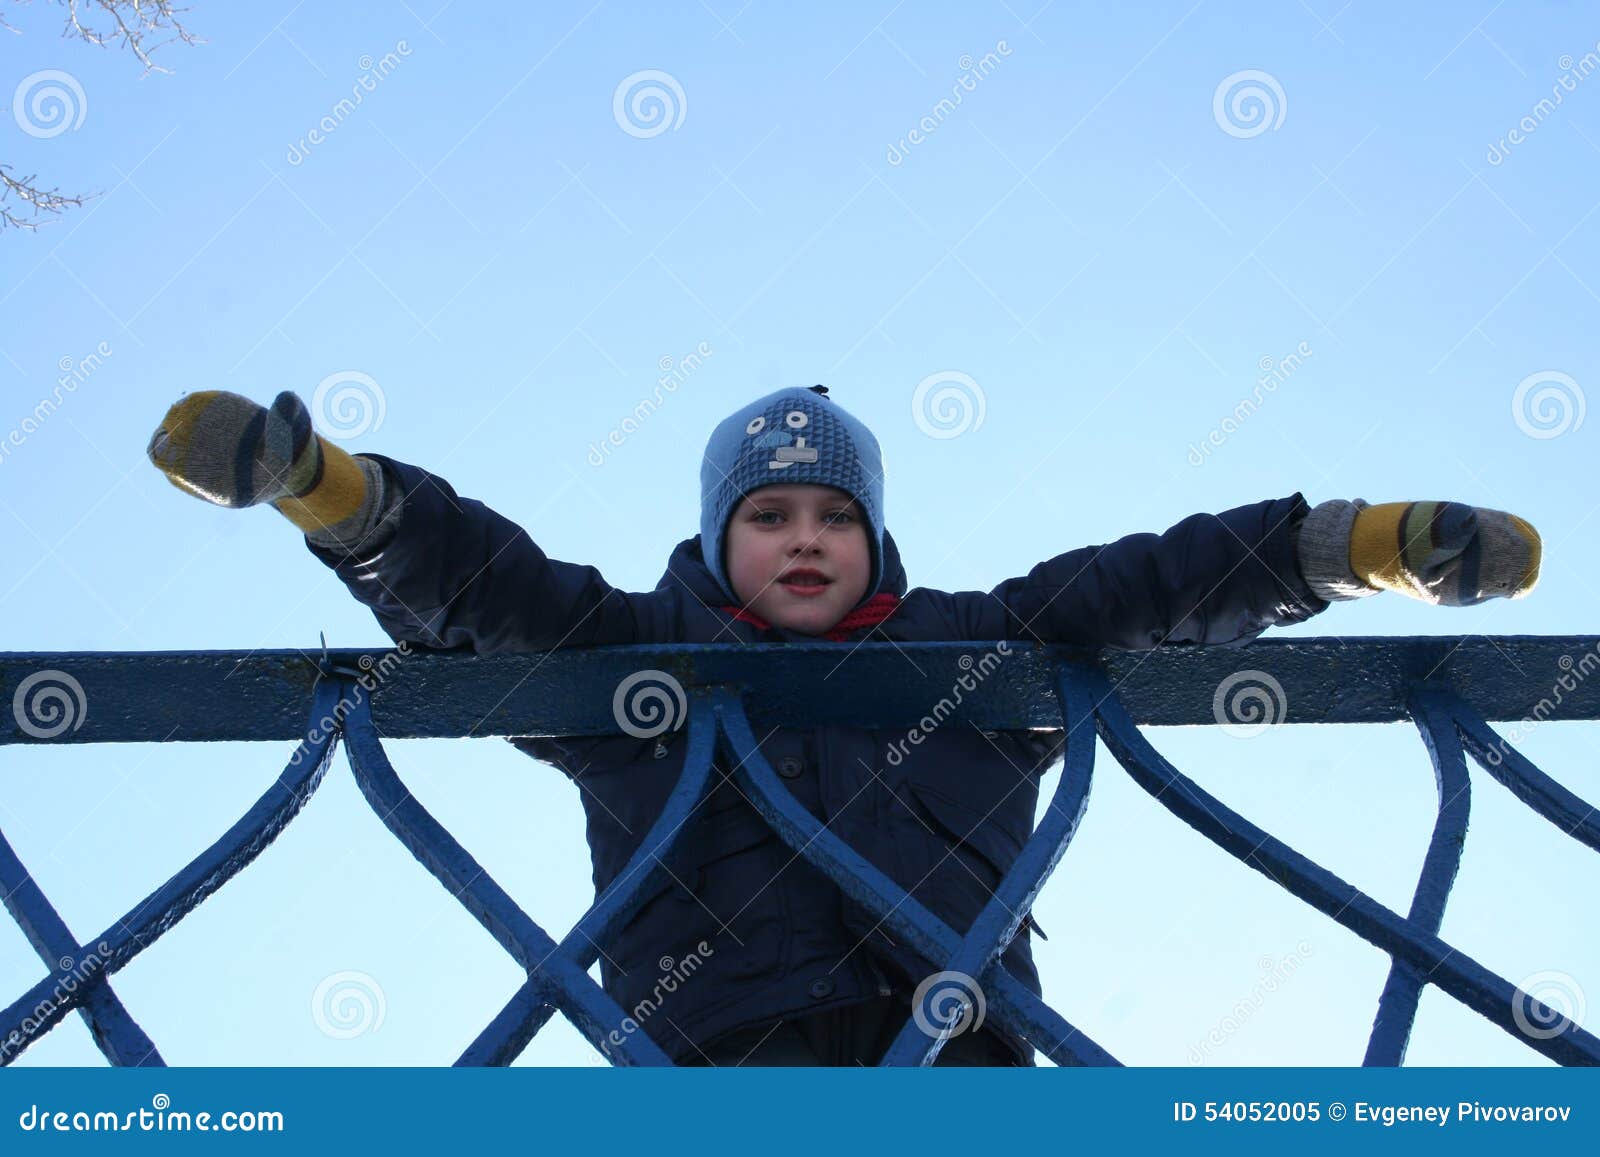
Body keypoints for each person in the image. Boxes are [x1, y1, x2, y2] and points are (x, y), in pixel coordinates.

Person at [146, 384, 1541, 1066]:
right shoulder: (641, 666)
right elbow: (483, 597)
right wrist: (327, 490)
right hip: (721, 1060)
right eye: (768, 515)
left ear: (877, 541)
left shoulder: (972, 651)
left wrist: (1354, 547)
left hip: (967, 1045)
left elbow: (1150, 589)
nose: (803, 538)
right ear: (718, 536)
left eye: (834, 516)